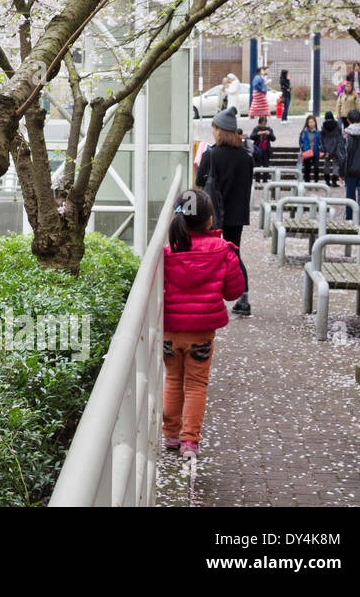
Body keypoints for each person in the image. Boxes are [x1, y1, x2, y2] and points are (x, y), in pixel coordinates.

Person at [161, 187, 245, 458]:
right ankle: (189, 441)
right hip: (201, 333)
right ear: (210, 220)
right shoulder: (222, 250)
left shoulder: (167, 251)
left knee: (173, 380)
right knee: (196, 384)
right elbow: (234, 291)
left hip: (171, 330)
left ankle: (171, 436)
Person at [197, 106, 254, 316]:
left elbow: (199, 182)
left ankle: (208, 298)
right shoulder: (246, 157)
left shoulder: (211, 155)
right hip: (237, 215)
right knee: (234, 253)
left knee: (210, 256)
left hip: (213, 214)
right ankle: (244, 298)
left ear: (219, 130)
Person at [319, 110, 344, 187]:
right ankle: (334, 181)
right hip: (335, 148)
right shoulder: (337, 125)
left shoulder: (323, 126)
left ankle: (327, 181)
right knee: (335, 165)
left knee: (326, 164)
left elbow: (321, 139)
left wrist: (323, 149)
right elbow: (340, 137)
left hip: (326, 149)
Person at [298, 115, 322, 183]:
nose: (311, 123)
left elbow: (321, 142)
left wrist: (320, 149)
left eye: (312, 122)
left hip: (315, 152)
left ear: (315, 122)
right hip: (307, 152)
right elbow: (300, 141)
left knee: (316, 168)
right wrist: (305, 148)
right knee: (307, 168)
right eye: (309, 122)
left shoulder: (318, 132)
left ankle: (316, 182)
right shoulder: (304, 132)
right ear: (307, 123)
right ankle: (307, 182)